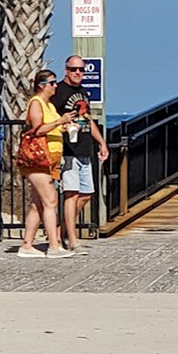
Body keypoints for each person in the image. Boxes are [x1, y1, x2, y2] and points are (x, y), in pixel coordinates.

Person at [18, 70, 76, 258]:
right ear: (42, 85)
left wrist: (65, 127)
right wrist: (60, 120)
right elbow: (37, 129)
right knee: (51, 201)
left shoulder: (49, 105)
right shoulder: (36, 103)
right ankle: (53, 245)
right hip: (38, 159)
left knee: (38, 204)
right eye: (52, 83)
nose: (55, 86)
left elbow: (52, 127)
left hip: (51, 160)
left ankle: (27, 245)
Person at [54, 55, 109, 253]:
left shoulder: (83, 92)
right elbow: (51, 119)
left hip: (85, 148)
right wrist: (63, 124)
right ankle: (72, 239)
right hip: (68, 151)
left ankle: (61, 230)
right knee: (71, 194)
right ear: (66, 70)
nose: (78, 73)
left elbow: (88, 118)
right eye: (73, 69)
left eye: (81, 70)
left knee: (86, 194)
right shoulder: (58, 92)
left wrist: (101, 142)